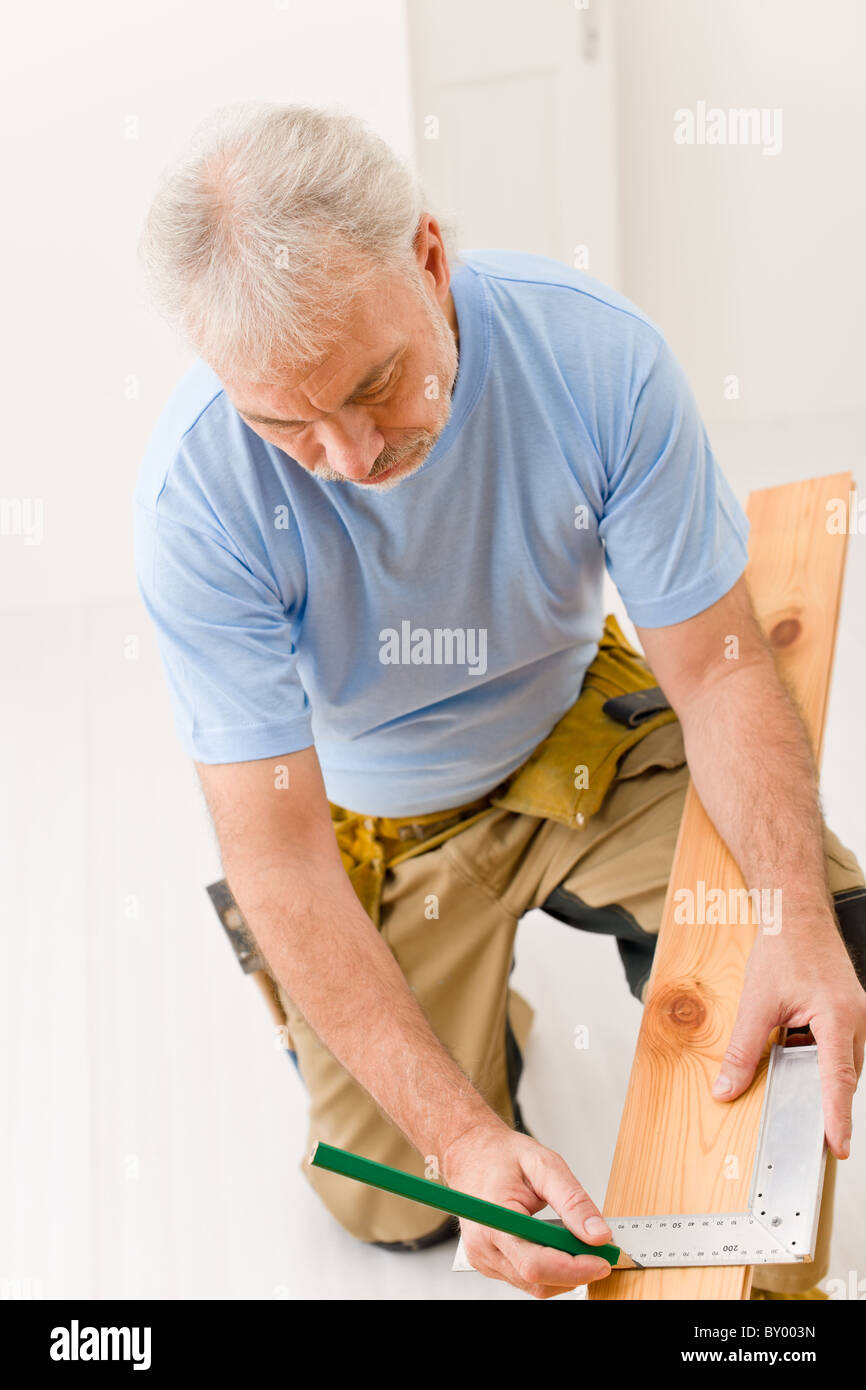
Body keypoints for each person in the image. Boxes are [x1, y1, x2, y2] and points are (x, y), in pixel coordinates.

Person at [134, 102, 866, 1299]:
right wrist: (460, 1133)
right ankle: (460, 1028)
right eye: (288, 425)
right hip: (373, 824)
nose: (353, 457)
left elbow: (720, 667)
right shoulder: (194, 501)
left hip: (575, 735)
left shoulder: (594, 357)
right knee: (394, 1211)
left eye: (376, 383)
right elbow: (277, 856)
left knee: (826, 945)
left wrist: (789, 906)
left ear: (427, 257)